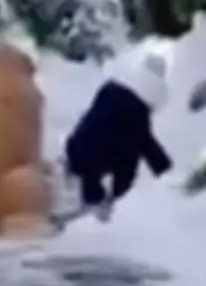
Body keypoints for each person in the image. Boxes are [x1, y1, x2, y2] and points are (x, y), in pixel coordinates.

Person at [60, 47, 173, 223]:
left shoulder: (110, 90)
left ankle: (85, 206)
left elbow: (143, 141)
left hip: (76, 147)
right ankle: (96, 217)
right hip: (96, 162)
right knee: (116, 166)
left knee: (90, 173)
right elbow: (137, 152)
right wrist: (120, 194)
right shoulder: (138, 113)